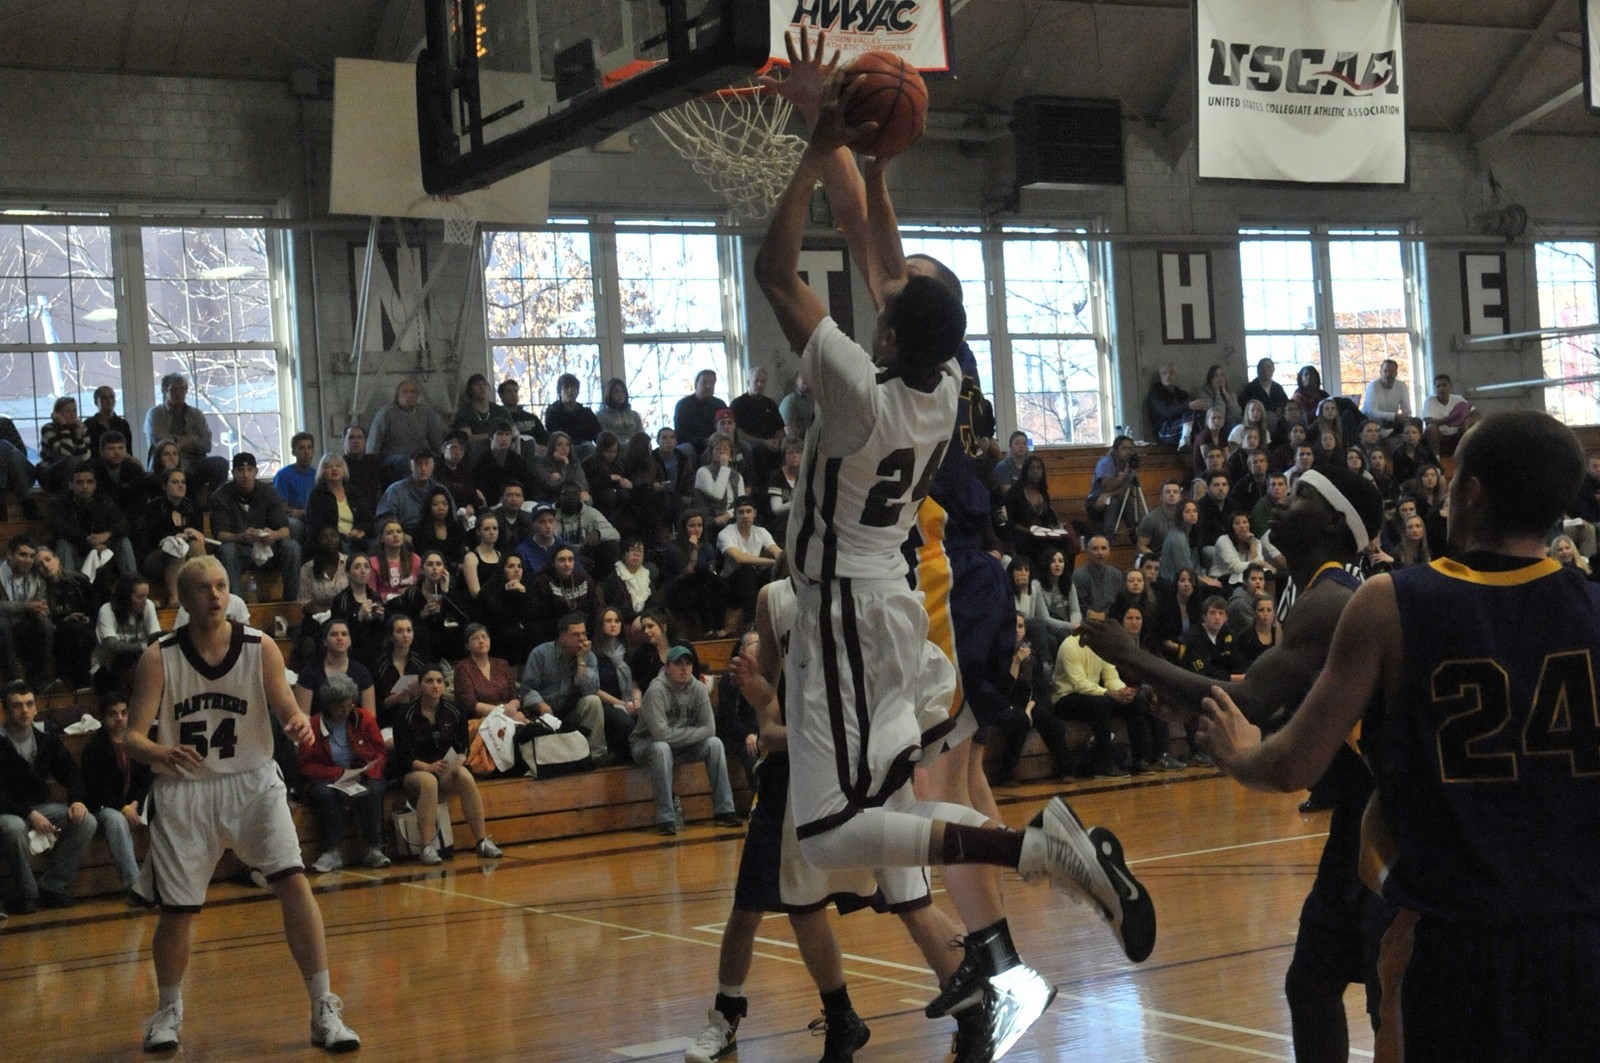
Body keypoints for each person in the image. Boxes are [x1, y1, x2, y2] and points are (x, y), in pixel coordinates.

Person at [752, 55, 1153, 1061]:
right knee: (898, 811)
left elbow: (780, 270)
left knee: (831, 835)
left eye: (893, 292)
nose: (887, 282)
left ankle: (1032, 856)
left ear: (888, 325)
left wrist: (816, 145)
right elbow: (881, 251)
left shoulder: (856, 382)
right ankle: (983, 968)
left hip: (851, 609)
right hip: (890, 606)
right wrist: (870, 159)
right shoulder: (937, 385)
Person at [1198, 412, 1600, 1059]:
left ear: (1470, 492)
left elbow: (1294, 763)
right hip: (1582, 943)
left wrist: (1238, 752)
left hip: (1455, 940)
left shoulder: (1391, 602)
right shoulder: (1592, 609)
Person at [1082, 466, 1392, 1062]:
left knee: (1385, 999)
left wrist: (1133, 656)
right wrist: (1179, 695)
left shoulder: (1330, 600)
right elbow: (1262, 698)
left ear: (1332, 523)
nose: (1282, 500)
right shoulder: (1320, 593)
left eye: (1300, 495)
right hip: (1357, 819)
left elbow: (1248, 701)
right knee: (1311, 985)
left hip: (1387, 821)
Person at [121, 556, 361, 1053]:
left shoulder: (260, 646)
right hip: (185, 791)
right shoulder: (159, 656)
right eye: (204, 588)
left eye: (222, 585)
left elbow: (288, 708)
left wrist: (297, 722)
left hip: (253, 782)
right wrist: (163, 752)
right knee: (179, 912)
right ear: (183, 601)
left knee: (294, 883)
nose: (215, 594)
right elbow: (131, 738)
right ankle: (167, 1011)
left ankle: (323, 1008)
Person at [0, 679, 98, 914]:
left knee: (86, 821)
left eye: (29, 704)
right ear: (5, 710)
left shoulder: (45, 740)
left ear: (36, 708)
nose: (24, 710)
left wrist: (76, 799)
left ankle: (53, 885)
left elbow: (72, 774)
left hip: (40, 807)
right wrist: (29, 813)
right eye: (17, 705)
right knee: (12, 828)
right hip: (8, 811)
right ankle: (28, 895)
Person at [393, 665, 503, 866]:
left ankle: (482, 840)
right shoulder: (405, 714)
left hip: (445, 769)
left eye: (439, 681)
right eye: (429, 681)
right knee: (429, 783)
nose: (435, 686)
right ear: (419, 686)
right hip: (415, 771)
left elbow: (462, 745)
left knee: (465, 776)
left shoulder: (455, 710)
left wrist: (460, 759)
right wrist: (427, 767)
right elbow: (403, 755)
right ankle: (427, 846)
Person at [629, 644, 742, 835]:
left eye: (688, 663)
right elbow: (660, 735)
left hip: (681, 745)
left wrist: (681, 733)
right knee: (662, 748)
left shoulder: (698, 688)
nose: (684, 668)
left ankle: (725, 810)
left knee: (715, 744)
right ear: (667, 667)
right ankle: (666, 818)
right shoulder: (656, 690)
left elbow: (711, 730)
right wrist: (694, 732)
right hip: (646, 745)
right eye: (678, 664)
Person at [297, 672, 390, 873]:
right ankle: (331, 852)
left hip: (361, 775)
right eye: (342, 706)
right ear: (330, 705)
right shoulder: (313, 725)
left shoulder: (363, 718)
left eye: (350, 704)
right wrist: (338, 773)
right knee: (324, 795)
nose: (348, 710)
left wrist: (363, 772)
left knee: (373, 790)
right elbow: (306, 765)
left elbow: (380, 752)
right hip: (328, 778)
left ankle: (373, 849)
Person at [1048, 629, 1151, 778]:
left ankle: (1140, 760)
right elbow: (1079, 683)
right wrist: (1109, 693)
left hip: (1092, 696)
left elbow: (1111, 677)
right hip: (1065, 698)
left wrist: (1123, 690)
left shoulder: (1102, 647)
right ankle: (1105, 765)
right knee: (1102, 704)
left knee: (1135, 701)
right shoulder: (1069, 646)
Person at [81, 693, 154, 900]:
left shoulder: (138, 741)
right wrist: (123, 807)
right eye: (113, 714)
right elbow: (96, 787)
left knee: (164, 809)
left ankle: (167, 879)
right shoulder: (94, 747)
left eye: (124, 713)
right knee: (115, 819)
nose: (120, 718)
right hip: (102, 808)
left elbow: (146, 778)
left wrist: (136, 803)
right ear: (104, 717)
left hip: (135, 804)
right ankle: (134, 886)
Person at [209, 452, 299, 602]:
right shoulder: (220, 496)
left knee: (292, 547)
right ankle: (235, 604)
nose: (245, 475)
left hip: (269, 551)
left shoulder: (269, 492)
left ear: (256, 472)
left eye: (250, 470)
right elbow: (220, 534)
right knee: (227, 550)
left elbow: (285, 530)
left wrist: (273, 535)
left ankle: (292, 602)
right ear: (233, 473)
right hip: (241, 552)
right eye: (240, 470)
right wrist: (241, 536)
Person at [519, 613, 608, 764]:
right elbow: (527, 688)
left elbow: (591, 690)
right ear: (562, 637)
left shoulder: (588, 656)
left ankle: (596, 756)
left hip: (570, 709)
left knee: (593, 701)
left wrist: (581, 660)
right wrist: (542, 706)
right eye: (575, 634)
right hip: (543, 712)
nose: (582, 638)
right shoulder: (540, 653)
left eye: (583, 633)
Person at [143, 373, 228, 499]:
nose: (179, 393)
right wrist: (191, 438)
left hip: (196, 461)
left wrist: (177, 441)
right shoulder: (155, 414)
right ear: (165, 391)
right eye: (174, 389)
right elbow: (165, 445)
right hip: (166, 462)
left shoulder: (196, 414)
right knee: (183, 471)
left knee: (221, 464)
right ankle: (189, 509)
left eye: (182, 389)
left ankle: (211, 502)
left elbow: (206, 445)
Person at [48, 462, 138, 579]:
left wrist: (106, 535)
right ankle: (69, 589)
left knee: (123, 542)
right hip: (77, 555)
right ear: (70, 485)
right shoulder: (59, 504)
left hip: (102, 554)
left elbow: (123, 524)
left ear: (95, 485)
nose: (85, 486)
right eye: (79, 482)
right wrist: (89, 542)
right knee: (63, 545)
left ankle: (133, 586)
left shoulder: (104, 502)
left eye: (89, 482)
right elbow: (61, 529)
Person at [293, 619, 376, 719]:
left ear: (350, 641)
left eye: (344, 634)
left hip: (353, 731)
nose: (339, 638)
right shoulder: (309, 673)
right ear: (325, 641)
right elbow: (302, 715)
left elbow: (370, 715)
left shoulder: (362, 672)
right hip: (318, 730)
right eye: (334, 634)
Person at [716, 495, 781, 623]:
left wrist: (782, 561)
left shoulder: (761, 531)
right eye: (741, 512)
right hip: (730, 581)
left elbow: (777, 551)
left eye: (748, 511)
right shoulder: (726, 533)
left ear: (755, 513)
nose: (745, 515)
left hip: (753, 577)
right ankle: (751, 623)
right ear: (735, 514)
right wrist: (774, 562)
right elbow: (739, 558)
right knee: (747, 570)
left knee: (774, 573)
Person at [0, 535, 55, 686]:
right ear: (10, 554)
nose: (28, 560)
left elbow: (39, 603)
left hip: (23, 628)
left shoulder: (37, 577)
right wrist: (25, 606)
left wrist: (40, 609)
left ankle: (42, 683)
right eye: (23, 555)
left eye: (31, 556)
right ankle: (13, 681)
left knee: (45, 625)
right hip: (3, 628)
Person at [367, 378, 445, 481]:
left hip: (418, 456)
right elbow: (373, 445)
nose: (409, 395)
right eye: (405, 392)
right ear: (397, 396)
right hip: (393, 458)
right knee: (406, 462)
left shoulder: (426, 413)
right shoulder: (386, 413)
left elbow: (437, 442)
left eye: (413, 392)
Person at [305, 453, 375, 558]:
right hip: (333, 540)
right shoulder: (317, 494)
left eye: (338, 466)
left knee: (376, 546)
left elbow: (368, 519)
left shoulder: (354, 492)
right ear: (322, 472)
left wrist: (359, 530)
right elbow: (316, 526)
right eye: (329, 467)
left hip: (357, 538)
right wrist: (343, 536)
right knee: (348, 550)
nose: (334, 469)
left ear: (344, 470)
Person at [94, 573, 161, 679]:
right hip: (109, 667)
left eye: (146, 596)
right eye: (139, 597)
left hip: (139, 663)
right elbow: (112, 645)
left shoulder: (148, 605)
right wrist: (143, 646)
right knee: (125, 659)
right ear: (125, 597)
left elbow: (156, 639)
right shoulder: (107, 609)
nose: (144, 601)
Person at [374, 449, 454, 535]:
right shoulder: (396, 490)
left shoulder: (441, 490)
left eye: (426, 464)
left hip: (435, 536)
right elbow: (383, 520)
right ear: (411, 466)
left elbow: (453, 518)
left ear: (433, 466)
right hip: (404, 537)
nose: (423, 468)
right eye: (419, 464)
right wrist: (402, 536)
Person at [729, 365, 787, 478]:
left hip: (770, 442)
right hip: (750, 442)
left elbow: (780, 429)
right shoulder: (738, 404)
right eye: (756, 381)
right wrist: (763, 442)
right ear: (748, 382)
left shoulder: (770, 403)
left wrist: (776, 441)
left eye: (763, 381)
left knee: (789, 446)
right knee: (760, 450)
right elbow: (738, 433)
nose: (760, 384)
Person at [1086, 434, 1142, 534]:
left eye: (1131, 448)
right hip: (1096, 502)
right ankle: (1108, 536)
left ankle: (1137, 535)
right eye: (1124, 448)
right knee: (1114, 502)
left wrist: (1130, 473)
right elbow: (1107, 487)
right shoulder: (1106, 462)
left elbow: (1126, 487)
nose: (1128, 452)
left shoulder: (1128, 463)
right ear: (1116, 450)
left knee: (1127, 502)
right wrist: (1123, 475)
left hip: (1115, 497)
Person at [472, 420, 533, 509]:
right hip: (490, 506)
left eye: (507, 434)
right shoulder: (481, 461)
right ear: (491, 437)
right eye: (500, 434)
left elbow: (527, 485)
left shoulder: (517, 460)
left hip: (516, 504)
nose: (504, 438)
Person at [89, 428, 150, 517]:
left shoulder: (134, 469)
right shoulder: (92, 470)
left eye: (121, 448)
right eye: (111, 448)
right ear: (101, 451)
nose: (117, 452)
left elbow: (140, 500)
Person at [674, 368, 728, 461]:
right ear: (696, 385)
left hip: (717, 442)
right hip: (692, 445)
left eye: (712, 383)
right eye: (704, 382)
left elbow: (728, 425)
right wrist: (703, 441)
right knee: (687, 449)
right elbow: (681, 434)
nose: (708, 386)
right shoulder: (683, 405)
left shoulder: (720, 404)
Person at [273, 432, 318, 542]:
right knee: (297, 526)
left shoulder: (317, 475)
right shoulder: (283, 475)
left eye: (309, 448)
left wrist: (304, 512)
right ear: (294, 452)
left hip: (312, 516)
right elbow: (281, 509)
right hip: (291, 519)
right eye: (301, 448)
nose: (306, 452)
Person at [1422, 373, 1479, 456]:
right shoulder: (1429, 401)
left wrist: (1467, 421)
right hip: (1440, 436)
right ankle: (1436, 458)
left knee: (1469, 426)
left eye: (1444, 385)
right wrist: (1450, 419)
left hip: (1456, 435)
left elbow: (1477, 414)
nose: (1441, 389)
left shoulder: (1458, 399)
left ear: (1450, 386)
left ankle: (1469, 457)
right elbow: (1428, 421)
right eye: (1438, 386)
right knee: (1431, 428)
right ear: (1435, 388)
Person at [1071, 533, 1124, 617]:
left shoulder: (1116, 574)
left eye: (1103, 548)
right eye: (1095, 549)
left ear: (1109, 551)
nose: (1100, 553)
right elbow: (1079, 607)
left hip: (1113, 619)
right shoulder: (1079, 576)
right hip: (1088, 621)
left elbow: (1120, 603)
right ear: (1088, 552)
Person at [529, 430, 589, 504]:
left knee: (585, 497)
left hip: (571, 494)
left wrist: (581, 490)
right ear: (552, 447)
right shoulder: (542, 462)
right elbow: (553, 486)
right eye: (560, 445)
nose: (564, 448)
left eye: (567, 445)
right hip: (549, 497)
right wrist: (565, 465)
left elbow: (583, 483)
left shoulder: (574, 461)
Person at [542, 372, 600, 449]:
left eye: (574, 387)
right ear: (559, 391)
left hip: (587, 447)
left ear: (578, 391)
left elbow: (598, 433)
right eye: (566, 387)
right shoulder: (552, 412)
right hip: (563, 449)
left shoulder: (586, 412)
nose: (570, 390)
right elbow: (555, 436)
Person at [368, 518, 420, 602]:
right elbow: (372, 593)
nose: (395, 535)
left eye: (399, 532)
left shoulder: (415, 559)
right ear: (381, 538)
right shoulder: (373, 562)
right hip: (385, 607)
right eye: (389, 533)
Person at [450, 372, 507, 447]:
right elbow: (466, 438)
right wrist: (491, 436)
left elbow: (512, 432)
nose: (482, 387)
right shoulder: (464, 413)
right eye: (477, 385)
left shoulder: (500, 410)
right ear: (470, 390)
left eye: (484, 384)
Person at [1144, 363, 1193, 447]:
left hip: (1181, 425)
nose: (1168, 375)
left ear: (1176, 376)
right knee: (1188, 408)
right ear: (1160, 377)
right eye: (1164, 373)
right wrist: (1188, 406)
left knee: (1200, 415)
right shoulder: (1155, 394)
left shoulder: (1181, 393)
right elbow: (1166, 411)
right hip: (1164, 431)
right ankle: (1185, 438)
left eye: (1171, 373)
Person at [461, 511, 505, 598]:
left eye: (495, 528)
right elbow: (475, 592)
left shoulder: (499, 555)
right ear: (478, 532)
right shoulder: (471, 558)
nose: (492, 532)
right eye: (487, 529)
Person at [1360, 358, 1408, 436]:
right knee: (1378, 422)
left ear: (1396, 373)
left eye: (1391, 371)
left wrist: (1406, 418)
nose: (1388, 374)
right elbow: (1372, 413)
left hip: (1392, 420)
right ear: (1380, 372)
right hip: (1370, 419)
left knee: (1416, 421)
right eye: (1385, 371)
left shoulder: (1402, 386)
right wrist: (1394, 416)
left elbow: (1407, 411)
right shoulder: (1373, 386)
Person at [497, 378, 549, 451]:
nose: (513, 394)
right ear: (501, 396)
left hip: (537, 452)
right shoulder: (500, 418)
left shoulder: (531, 417)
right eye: (509, 392)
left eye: (516, 391)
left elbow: (544, 438)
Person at [1239, 357, 1289, 432]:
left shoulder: (1277, 388)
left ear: (1273, 369)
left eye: (1268, 367)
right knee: (1271, 417)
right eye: (1262, 368)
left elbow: (1285, 403)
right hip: (1257, 418)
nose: (1266, 371)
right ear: (1258, 370)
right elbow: (1244, 406)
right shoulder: (1250, 388)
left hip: (1278, 419)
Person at [86, 384, 135, 453]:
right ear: (96, 402)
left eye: (112, 397)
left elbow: (128, 451)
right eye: (104, 398)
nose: (109, 401)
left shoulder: (123, 424)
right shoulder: (88, 425)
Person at [596, 377, 645, 442]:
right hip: (614, 448)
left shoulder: (634, 415)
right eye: (616, 392)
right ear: (609, 394)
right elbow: (604, 438)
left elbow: (642, 435)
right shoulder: (602, 415)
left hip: (634, 448)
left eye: (622, 391)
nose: (620, 395)